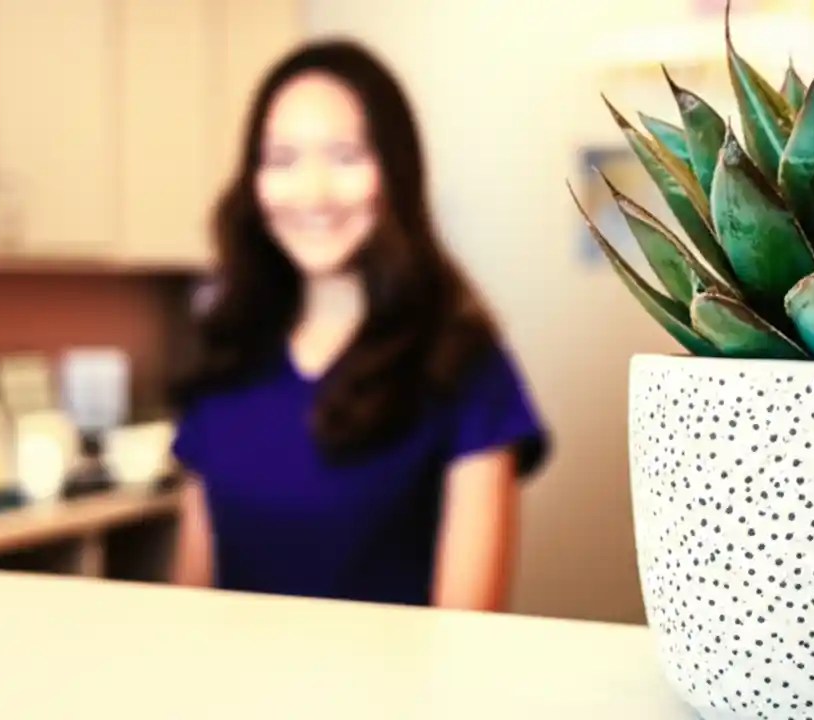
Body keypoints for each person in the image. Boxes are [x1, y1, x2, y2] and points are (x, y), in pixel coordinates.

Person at [169, 39, 548, 611]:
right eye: (282, 160)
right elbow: (188, 607)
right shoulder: (225, 355)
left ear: (395, 172)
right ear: (253, 181)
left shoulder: (462, 364)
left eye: (346, 156)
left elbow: (470, 636)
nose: (314, 193)